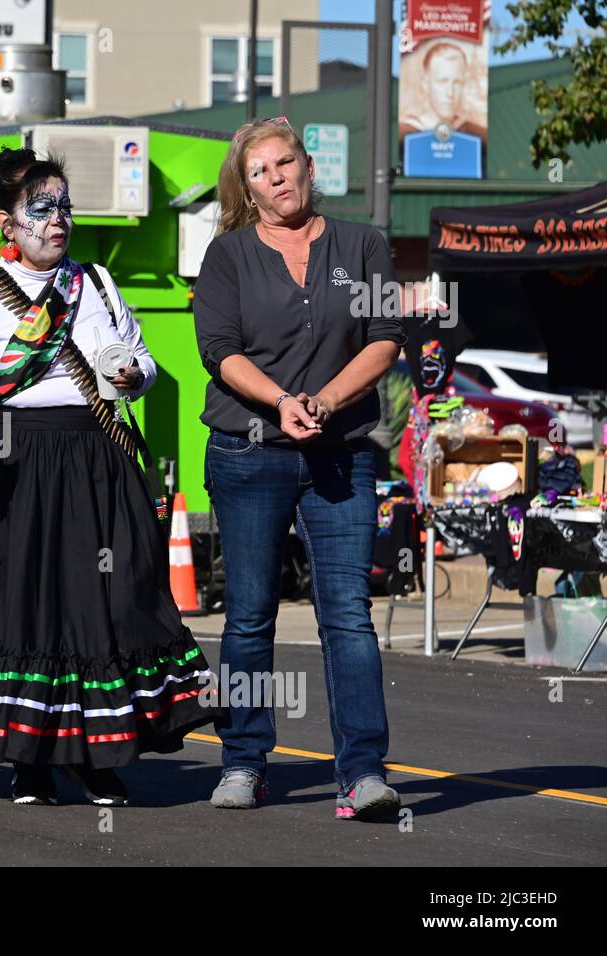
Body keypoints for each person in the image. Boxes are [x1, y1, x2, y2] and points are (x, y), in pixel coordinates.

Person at [0, 147, 220, 808]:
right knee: (29, 610)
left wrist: (134, 376)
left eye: (64, 206)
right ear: (6, 222)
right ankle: (30, 758)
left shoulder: (95, 282)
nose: (57, 219)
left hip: (96, 458)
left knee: (110, 601)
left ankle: (97, 754)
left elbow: (143, 363)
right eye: (41, 209)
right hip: (15, 465)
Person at [193, 117, 406, 820]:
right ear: (247, 189)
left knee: (347, 614)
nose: (278, 177)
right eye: (261, 171)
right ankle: (243, 764)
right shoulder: (228, 255)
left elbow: (385, 340)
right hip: (248, 453)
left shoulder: (364, 244)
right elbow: (219, 350)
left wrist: (325, 400)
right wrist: (283, 402)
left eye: (286, 163)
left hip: (340, 453)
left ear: (309, 167)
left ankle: (364, 774)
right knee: (250, 615)